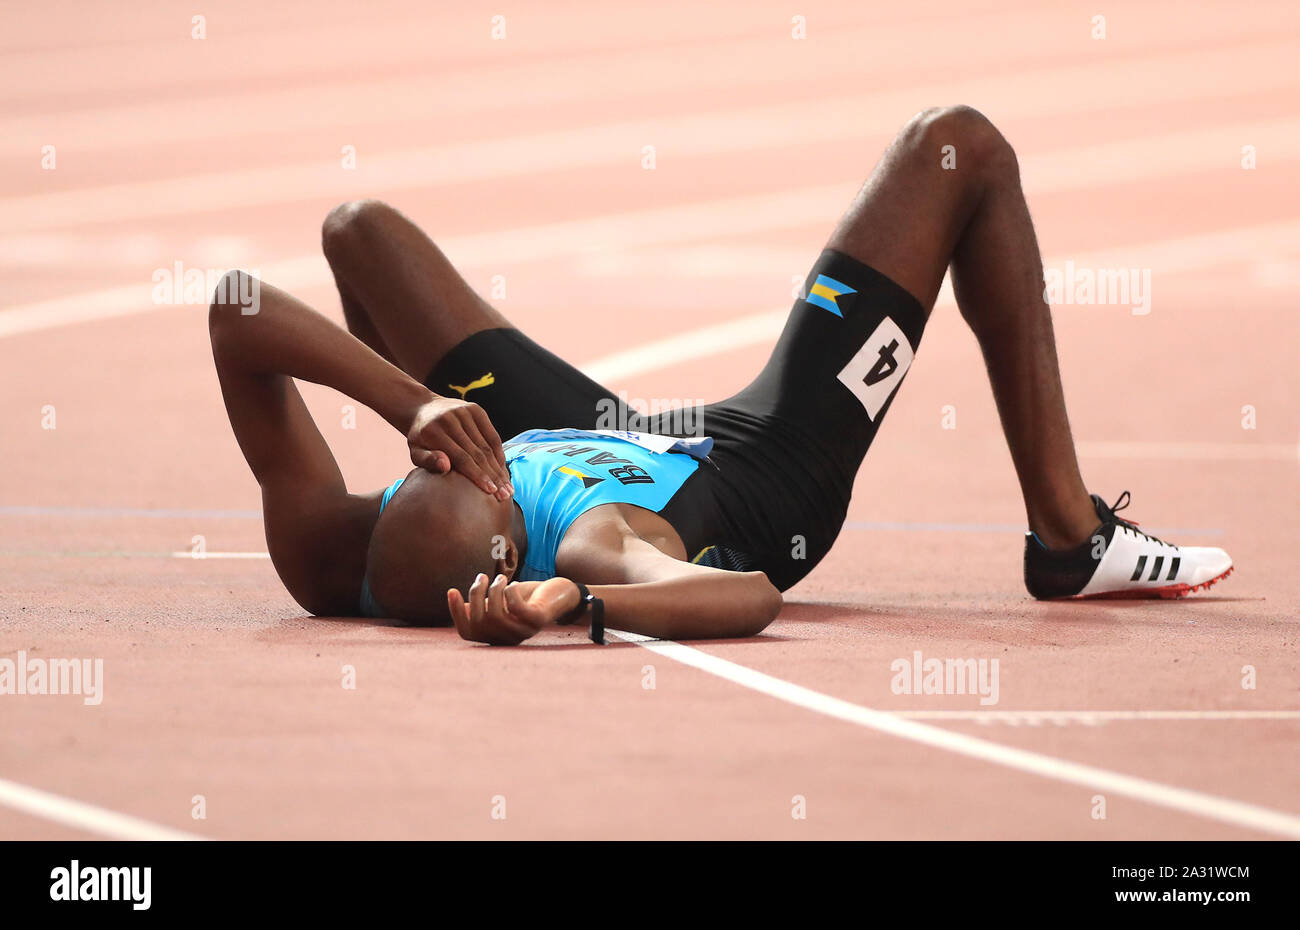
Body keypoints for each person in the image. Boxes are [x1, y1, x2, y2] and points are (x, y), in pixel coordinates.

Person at [208, 105, 1233, 646]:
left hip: (607, 425)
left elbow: (237, 307)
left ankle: (441, 410)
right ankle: (1070, 539)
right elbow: (747, 597)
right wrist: (573, 604)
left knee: (360, 236)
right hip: (759, 467)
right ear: (507, 530)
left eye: (422, 468)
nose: (455, 459)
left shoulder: (328, 552)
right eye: (467, 474)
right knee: (960, 149)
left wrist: (414, 400)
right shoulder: (595, 542)